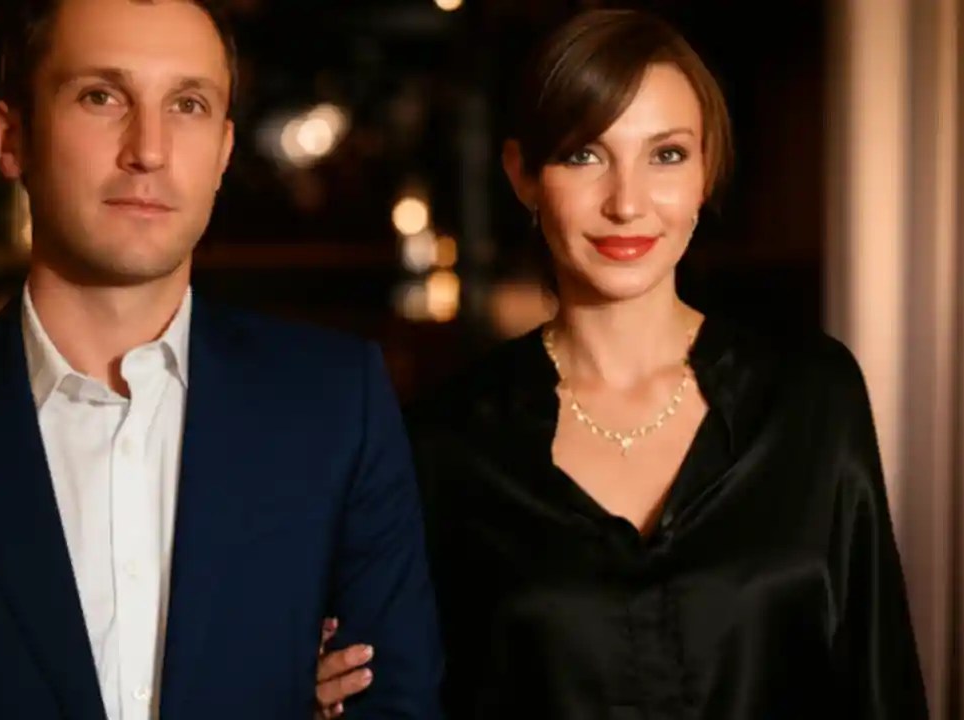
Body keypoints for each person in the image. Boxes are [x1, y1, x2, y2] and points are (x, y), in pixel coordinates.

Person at [0, 0, 444, 717]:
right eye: (101, 96)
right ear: (10, 138)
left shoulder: (335, 408)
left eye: (188, 103)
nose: (148, 148)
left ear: (224, 151)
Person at [315, 7, 929, 719]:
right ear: (523, 175)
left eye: (666, 154)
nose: (628, 202)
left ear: (707, 170)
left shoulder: (812, 398)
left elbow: (880, 681)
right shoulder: (444, 444)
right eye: (584, 154)